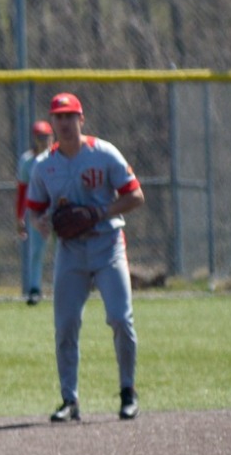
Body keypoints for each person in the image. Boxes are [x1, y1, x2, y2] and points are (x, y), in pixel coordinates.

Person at [25, 92, 145, 422]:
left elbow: (136, 195)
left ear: (81, 119)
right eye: (58, 117)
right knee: (65, 325)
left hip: (108, 245)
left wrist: (99, 212)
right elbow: (34, 209)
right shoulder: (44, 166)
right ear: (52, 122)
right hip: (71, 251)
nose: (64, 123)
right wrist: (40, 223)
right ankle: (70, 399)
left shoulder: (103, 154)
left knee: (120, 319)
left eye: (69, 116)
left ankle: (128, 391)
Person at [15, 120, 55, 305]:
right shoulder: (28, 161)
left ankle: (63, 287)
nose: (43, 140)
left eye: (46, 136)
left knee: (63, 251)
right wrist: (19, 217)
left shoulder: (59, 156)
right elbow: (22, 190)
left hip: (57, 209)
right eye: (39, 137)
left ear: (52, 137)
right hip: (37, 212)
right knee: (37, 251)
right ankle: (34, 289)